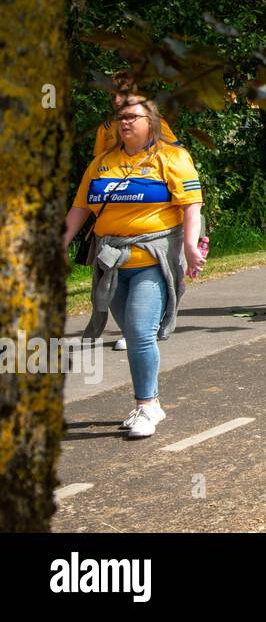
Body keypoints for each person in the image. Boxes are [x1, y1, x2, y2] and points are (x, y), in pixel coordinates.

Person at [62, 96, 205, 439]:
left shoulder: (172, 157)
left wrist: (189, 245)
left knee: (140, 332)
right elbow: (80, 208)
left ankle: (146, 404)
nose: (124, 122)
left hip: (151, 260)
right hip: (110, 261)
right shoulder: (102, 163)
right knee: (134, 334)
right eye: (120, 117)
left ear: (151, 122)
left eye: (132, 117)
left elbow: (191, 205)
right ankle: (151, 402)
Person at [93, 71, 178, 155]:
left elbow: (176, 153)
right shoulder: (105, 128)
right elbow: (98, 163)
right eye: (113, 95)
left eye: (122, 93)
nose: (116, 100)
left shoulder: (153, 122)